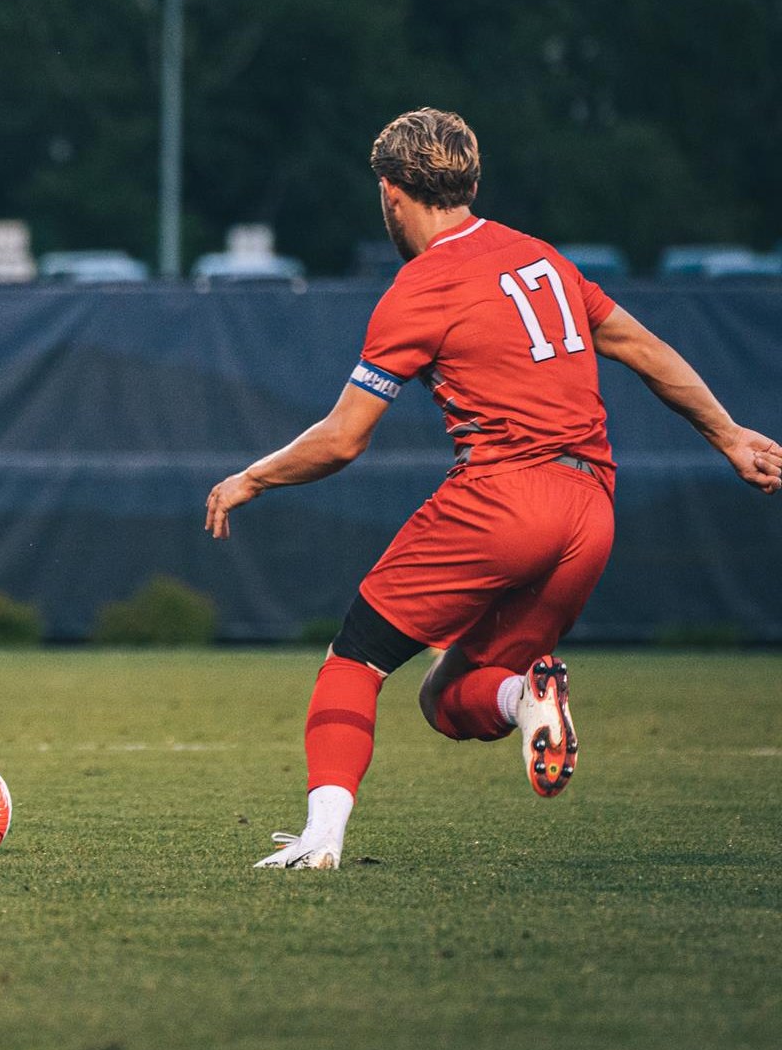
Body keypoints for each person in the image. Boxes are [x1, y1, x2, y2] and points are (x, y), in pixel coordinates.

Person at [205, 107, 782, 870]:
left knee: (357, 660)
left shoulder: (420, 287)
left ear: (392, 192)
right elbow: (642, 349)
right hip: (591, 514)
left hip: (505, 498)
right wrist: (729, 433)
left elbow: (344, 438)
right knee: (453, 698)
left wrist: (253, 476)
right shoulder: (542, 260)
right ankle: (526, 699)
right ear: (469, 183)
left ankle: (322, 837)